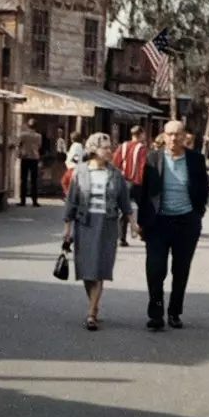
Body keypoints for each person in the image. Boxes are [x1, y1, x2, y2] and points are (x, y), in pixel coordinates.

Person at [138, 120, 209, 331]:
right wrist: (142, 223)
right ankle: (156, 313)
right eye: (169, 134)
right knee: (155, 269)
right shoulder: (153, 158)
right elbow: (144, 194)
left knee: (180, 270)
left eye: (177, 134)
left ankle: (174, 312)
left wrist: (198, 213)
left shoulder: (196, 160)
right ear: (163, 136)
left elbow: (203, 189)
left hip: (185, 222)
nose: (173, 139)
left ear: (184, 137)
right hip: (158, 223)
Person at [62, 133, 132, 332]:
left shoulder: (115, 173)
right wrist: (67, 227)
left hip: (107, 224)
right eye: (106, 148)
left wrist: (133, 224)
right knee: (86, 269)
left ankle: (91, 312)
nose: (110, 151)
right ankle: (94, 303)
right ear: (93, 150)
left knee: (99, 268)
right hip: (85, 223)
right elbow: (72, 201)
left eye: (111, 147)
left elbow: (124, 202)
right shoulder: (80, 172)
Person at [112, 125, 148, 248]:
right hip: (137, 182)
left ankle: (122, 238)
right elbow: (143, 166)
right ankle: (143, 234)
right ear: (141, 134)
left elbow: (115, 162)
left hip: (123, 182)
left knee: (124, 210)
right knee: (143, 207)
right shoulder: (141, 148)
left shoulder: (123, 146)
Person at [18, 118, 42, 207]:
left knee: (23, 180)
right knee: (34, 180)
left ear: (28, 126)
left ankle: (22, 201)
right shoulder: (38, 136)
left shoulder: (23, 135)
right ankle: (34, 201)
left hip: (25, 158)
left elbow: (19, 144)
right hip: (34, 158)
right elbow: (39, 146)